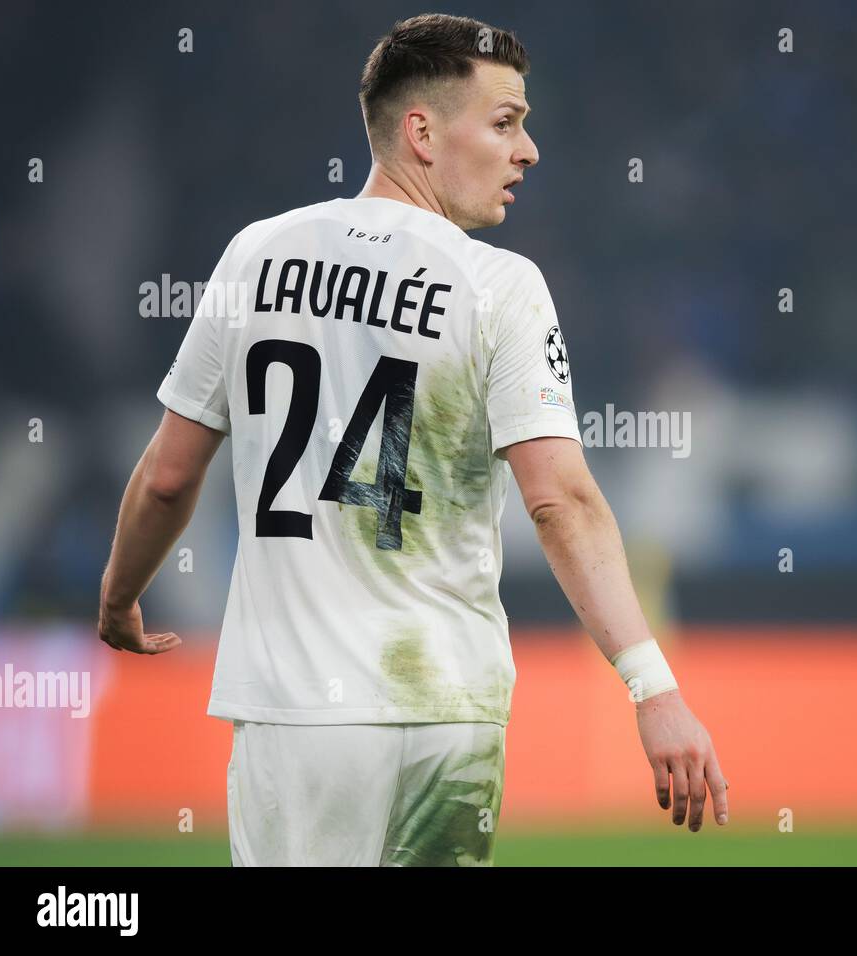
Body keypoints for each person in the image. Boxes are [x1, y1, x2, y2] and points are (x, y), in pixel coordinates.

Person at [97, 12, 727, 866]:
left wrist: (118, 596)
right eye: (505, 122)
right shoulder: (499, 285)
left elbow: (171, 478)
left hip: (304, 716)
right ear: (421, 132)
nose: (529, 149)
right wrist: (653, 688)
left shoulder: (255, 256)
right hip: (449, 711)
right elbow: (558, 498)